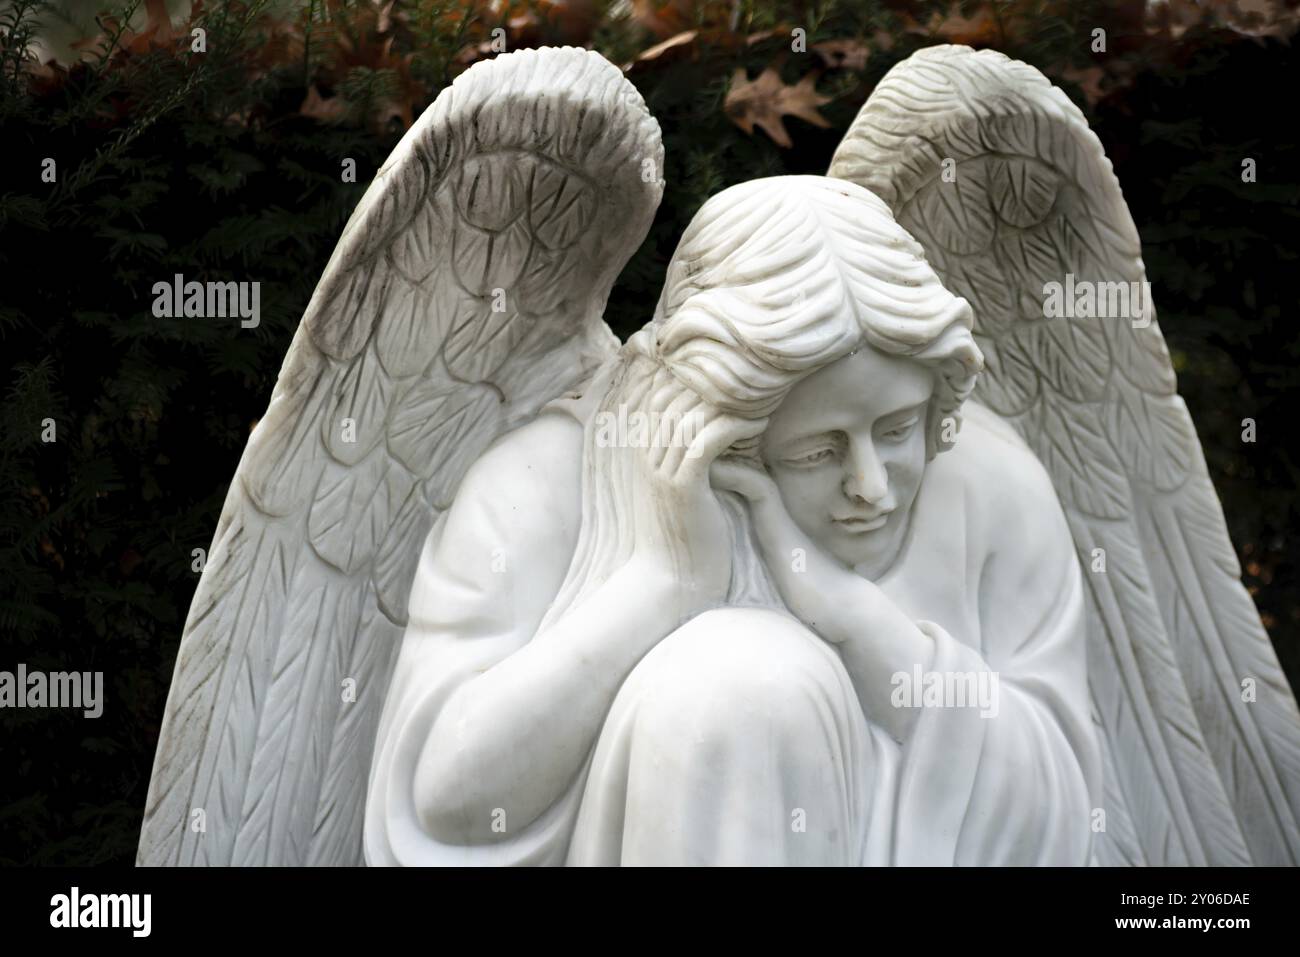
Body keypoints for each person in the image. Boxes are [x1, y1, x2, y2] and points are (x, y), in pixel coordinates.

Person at [364, 175, 1101, 866]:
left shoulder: (989, 488)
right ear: (724, 437)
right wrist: (663, 582)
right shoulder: (542, 488)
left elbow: (1065, 814)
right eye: (818, 450)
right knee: (737, 680)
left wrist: (860, 623)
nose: (871, 485)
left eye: (900, 429)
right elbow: (452, 799)